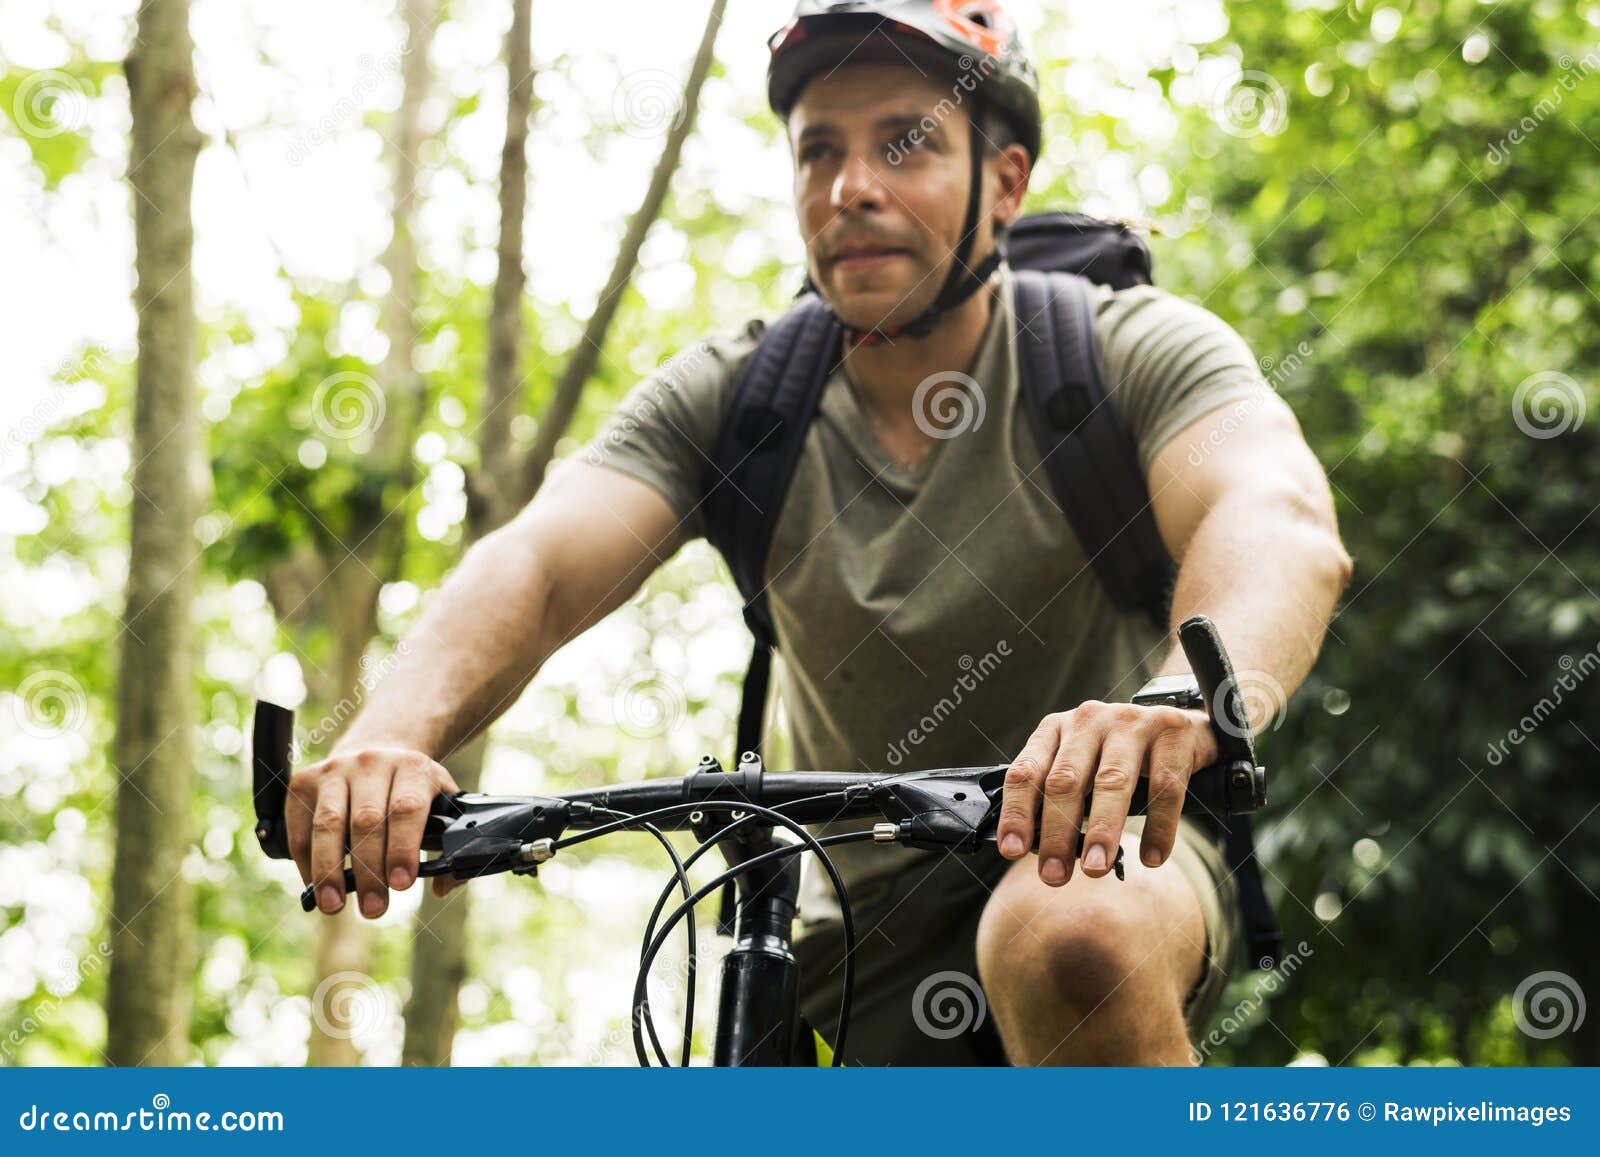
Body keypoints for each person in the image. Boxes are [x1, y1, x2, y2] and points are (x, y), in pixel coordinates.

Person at [285, 0, 1353, 1066]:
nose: (852, 187)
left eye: (906, 144)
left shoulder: (1114, 351)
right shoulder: (742, 398)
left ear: (1007, 184)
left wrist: (1174, 702)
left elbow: (1275, 515)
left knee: (1065, 931)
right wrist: (389, 735)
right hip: (847, 919)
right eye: (820, 152)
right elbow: (539, 561)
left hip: (1112, 855)